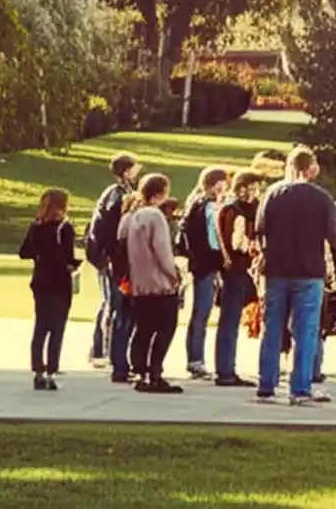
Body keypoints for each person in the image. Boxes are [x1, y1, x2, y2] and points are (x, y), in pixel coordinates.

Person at [255, 146, 336, 405]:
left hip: (277, 270)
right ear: (309, 168)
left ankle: (266, 385)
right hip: (309, 271)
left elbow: (260, 228)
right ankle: (300, 388)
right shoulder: (321, 198)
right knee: (305, 330)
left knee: (272, 328)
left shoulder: (272, 194)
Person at [120, 174, 184, 394]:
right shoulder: (155, 216)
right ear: (161, 192)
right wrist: (173, 274)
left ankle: (140, 371)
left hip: (139, 283)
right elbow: (162, 250)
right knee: (166, 327)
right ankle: (155, 371)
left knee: (143, 329)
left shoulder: (130, 216)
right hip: (159, 283)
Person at [19, 189, 81, 391]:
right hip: (59, 282)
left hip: (41, 279)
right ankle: (51, 370)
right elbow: (66, 255)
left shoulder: (37, 225)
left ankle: (38, 370)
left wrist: (40, 254)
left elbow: (24, 252)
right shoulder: (64, 227)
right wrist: (72, 264)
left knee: (41, 326)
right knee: (57, 327)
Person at [85, 152, 139, 382]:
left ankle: (101, 349)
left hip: (110, 257)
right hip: (111, 258)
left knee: (111, 303)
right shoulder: (116, 195)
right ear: (126, 171)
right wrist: (108, 256)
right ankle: (103, 350)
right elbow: (107, 228)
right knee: (114, 304)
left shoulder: (121, 192)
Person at [179, 167, 230, 380]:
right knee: (202, 312)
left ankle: (194, 358)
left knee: (198, 313)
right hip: (207, 265)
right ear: (215, 184)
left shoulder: (195, 203)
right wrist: (222, 259)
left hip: (198, 264)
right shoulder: (209, 207)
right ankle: (196, 360)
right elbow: (213, 239)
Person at [213, 170, 263, 387]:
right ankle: (225, 371)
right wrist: (253, 247)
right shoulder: (235, 212)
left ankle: (225, 368)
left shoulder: (231, 209)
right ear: (243, 187)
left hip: (233, 270)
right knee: (230, 321)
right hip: (235, 270)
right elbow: (237, 243)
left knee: (229, 320)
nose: (255, 192)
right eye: (253, 187)